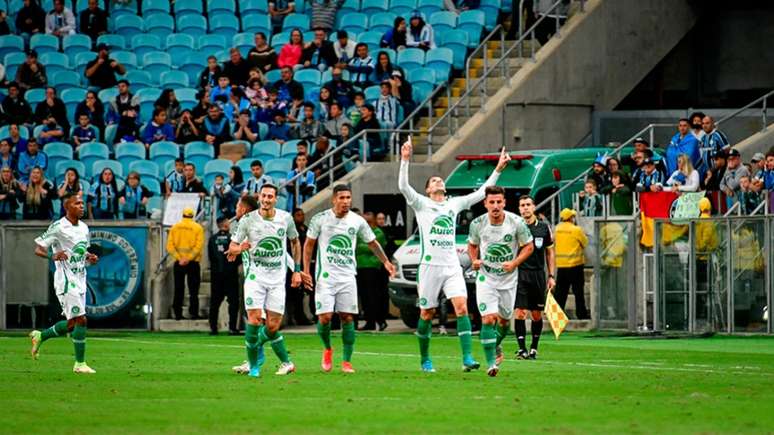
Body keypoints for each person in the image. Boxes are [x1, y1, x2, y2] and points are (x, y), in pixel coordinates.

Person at [399, 139, 510, 372]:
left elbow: (481, 193)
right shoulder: (421, 203)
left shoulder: (454, 204)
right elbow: (404, 186)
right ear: (428, 190)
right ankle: (425, 359)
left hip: (451, 266)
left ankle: (467, 358)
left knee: (461, 308)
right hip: (429, 267)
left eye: (440, 180)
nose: (438, 181)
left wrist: (498, 169)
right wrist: (405, 160)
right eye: (434, 181)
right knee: (426, 313)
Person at [302, 184, 395, 373]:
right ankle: (327, 348)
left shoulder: (357, 221)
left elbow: (372, 243)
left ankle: (346, 361)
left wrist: (386, 261)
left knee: (347, 317)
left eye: (348, 198)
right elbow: (309, 245)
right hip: (326, 277)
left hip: (347, 277)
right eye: (342, 198)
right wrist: (305, 271)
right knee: (325, 318)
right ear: (334, 199)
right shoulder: (320, 219)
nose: (346, 201)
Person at [225, 184, 301, 377]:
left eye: (270, 196)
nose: (266, 199)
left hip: (276, 281)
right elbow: (233, 247)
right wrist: (239, 249)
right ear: (259, 198)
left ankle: (279, 360)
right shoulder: (247, 223)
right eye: (263, 196)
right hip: (255, 279)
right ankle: (254, 365)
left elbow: (287, 248)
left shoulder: (284, 219)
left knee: (272, 327)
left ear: (276, 199)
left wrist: (297, 270)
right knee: (254, 320)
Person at [28, 192, 99, 373]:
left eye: (82, 203)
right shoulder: (58, 227)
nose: (81, 206)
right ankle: (80, 364)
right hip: (66, 280)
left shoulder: (84, 227)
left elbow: (80, 250)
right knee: (81, 320)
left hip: (80, 278)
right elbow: (38, 249)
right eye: (77, 204)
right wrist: (52, 255)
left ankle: (41, 336)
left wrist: (89, 257)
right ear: (67, 207)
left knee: (72, 324)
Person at [467, 187, 533, 375]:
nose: (495, 206)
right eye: (492, 202)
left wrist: (514, 263)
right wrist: (474, 260)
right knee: (488, 318)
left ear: (504, 203)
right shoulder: (477, 223)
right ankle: (491, 364)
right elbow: (472, 245)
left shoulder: (516, 222)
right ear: (485, 203)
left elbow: (528, 246)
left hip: (508, 280)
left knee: (504, 323)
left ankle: (496, 344)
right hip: (486, 278)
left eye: (498, 202)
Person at [513, 195, 555, 360]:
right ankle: (521, 349)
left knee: (536, 314)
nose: (525, 208)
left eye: (528, 205)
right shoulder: (515, 227)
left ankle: (534, 348)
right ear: (519, 209)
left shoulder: (543, 228)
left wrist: (551, 275)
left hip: (538, 274)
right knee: (520, 312)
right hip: (520, 273)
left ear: (534, 207)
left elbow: (550, 252)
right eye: (522, 205)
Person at [354, 211, 389, 331]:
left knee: (373, 296)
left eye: (368, 222)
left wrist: (361, 247)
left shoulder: (378, 232)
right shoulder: (360, 232)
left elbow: (372, 248)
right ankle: (370, 321)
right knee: (364, 296)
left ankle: (379, 320)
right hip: (359, 267)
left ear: (373, 221)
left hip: (372, 267)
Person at [167, 207, 204, 320]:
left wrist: (180, 258)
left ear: (182, 215)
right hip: (193, 263)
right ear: (193, 216)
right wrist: (189, 258)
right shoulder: (198, 228)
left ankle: (177, 313)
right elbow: (198, 246)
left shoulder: (175, 227)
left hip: (179, 263)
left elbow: (169, 246)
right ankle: (194, 313)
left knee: (179, 288)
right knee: (193, 290)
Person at [207, 216, 240, 335]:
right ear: (225, 224)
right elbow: (238, 256)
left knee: (215, 302)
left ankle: (213, 328)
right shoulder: (233, 239)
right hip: (230, 274)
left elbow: (211, 257)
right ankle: (232, 328)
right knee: (233, 302)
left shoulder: (212, 239)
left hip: (216, 275)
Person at [553, 208, 589, 319]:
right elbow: (585, 243)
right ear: (571, 218)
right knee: (578, 292)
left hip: (561, 266)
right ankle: (581, 314)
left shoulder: (556, 229)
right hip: (575, 265)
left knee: (560, 293)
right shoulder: (576, 230)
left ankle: (556, 317)